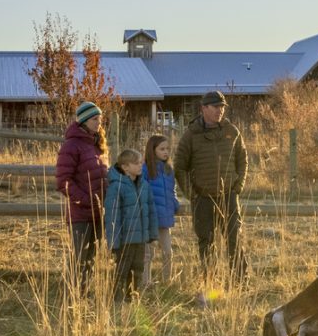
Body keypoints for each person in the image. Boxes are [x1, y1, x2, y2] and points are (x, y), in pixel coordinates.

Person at [174, 89, 248, 280]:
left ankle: (240, 280)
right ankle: (210, 282)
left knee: (234, 239)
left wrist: (237, 187)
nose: (220, 111)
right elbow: (180, 167)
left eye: (222, 107)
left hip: (228, 196)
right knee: (206, 242)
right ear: (203, 108)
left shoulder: (232, 131)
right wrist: (192, 194)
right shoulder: (191, 135)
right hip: (203, 198)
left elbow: (243, 159)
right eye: (215, 107)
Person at [55, 101, 109, 291]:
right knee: (79, 256)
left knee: (91, 256)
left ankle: (83, 293)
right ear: (84, 121)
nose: (99, 123)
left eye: (100, 119)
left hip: (97, 213)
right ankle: (73, 294)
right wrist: (86, 201)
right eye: (95, 119)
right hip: (81, 213)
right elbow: (63, 181)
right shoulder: (72, 146)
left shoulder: (96, 145)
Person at [105, 148, 157, 302]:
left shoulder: (144, 185)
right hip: (125, 239)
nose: (141, 166)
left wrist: (152, 234)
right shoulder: (116, 186)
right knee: (122, 269)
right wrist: (114, 241)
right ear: (125, 167)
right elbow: (113, 215)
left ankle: (132, 298)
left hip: (140, 239)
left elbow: (151, 211)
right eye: (136, 163)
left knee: (138, 269)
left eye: (141, 162)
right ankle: (116, 299)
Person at [142, 134, 178, 287]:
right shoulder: (145, 169)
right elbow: (141, 190)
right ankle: (146, 282)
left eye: (167, 149)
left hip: (165, 217)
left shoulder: (169, 170)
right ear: (152, 150)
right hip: (150, 217)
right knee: (148, 253)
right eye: (162, 149)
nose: (166, 152)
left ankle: (166, 281)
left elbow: (172, 191)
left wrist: (174, 204)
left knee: (168, 251)